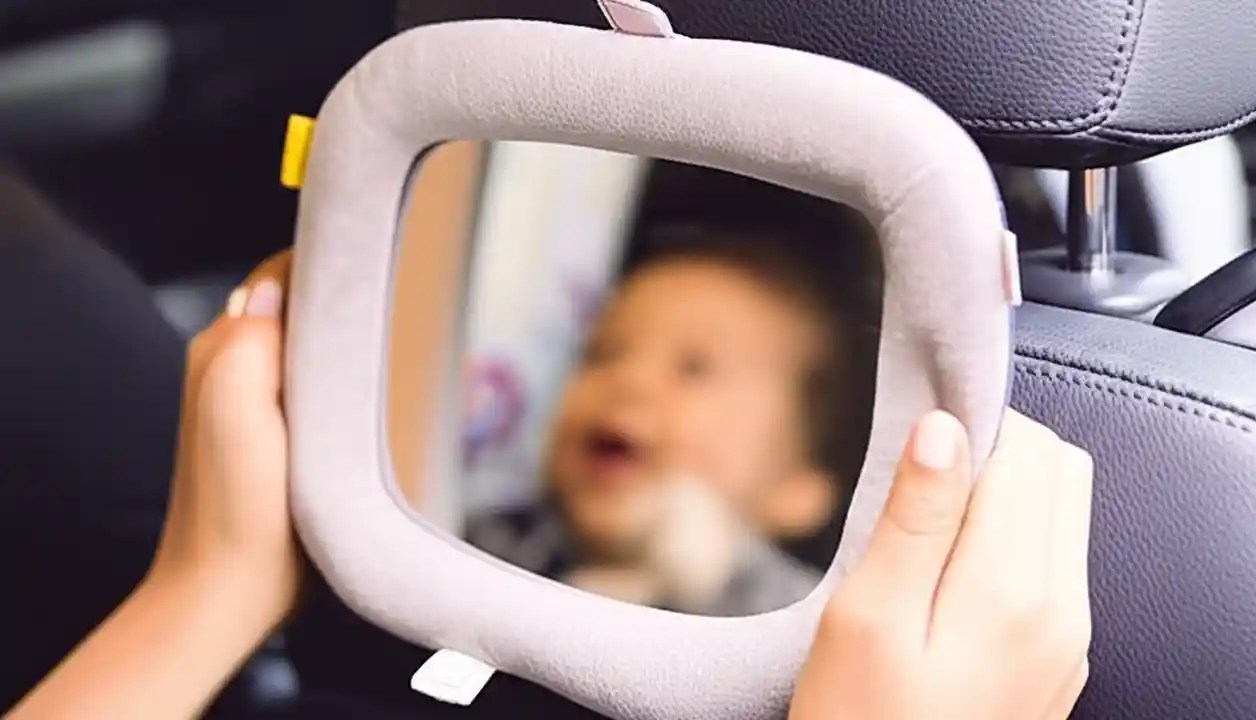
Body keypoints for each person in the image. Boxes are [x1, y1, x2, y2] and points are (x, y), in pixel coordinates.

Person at [8, 250, 1094, 720]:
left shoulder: (815, 650)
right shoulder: (438, 570)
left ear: (811, 490)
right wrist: (209, 583)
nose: (620, 381)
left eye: (693, 367)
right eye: (606, 350)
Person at [466, 231, 850, 616]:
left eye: (693, 367)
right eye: (602, 353)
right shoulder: (487, 545)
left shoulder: (800, 623)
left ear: (794, 491)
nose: (629, 379)